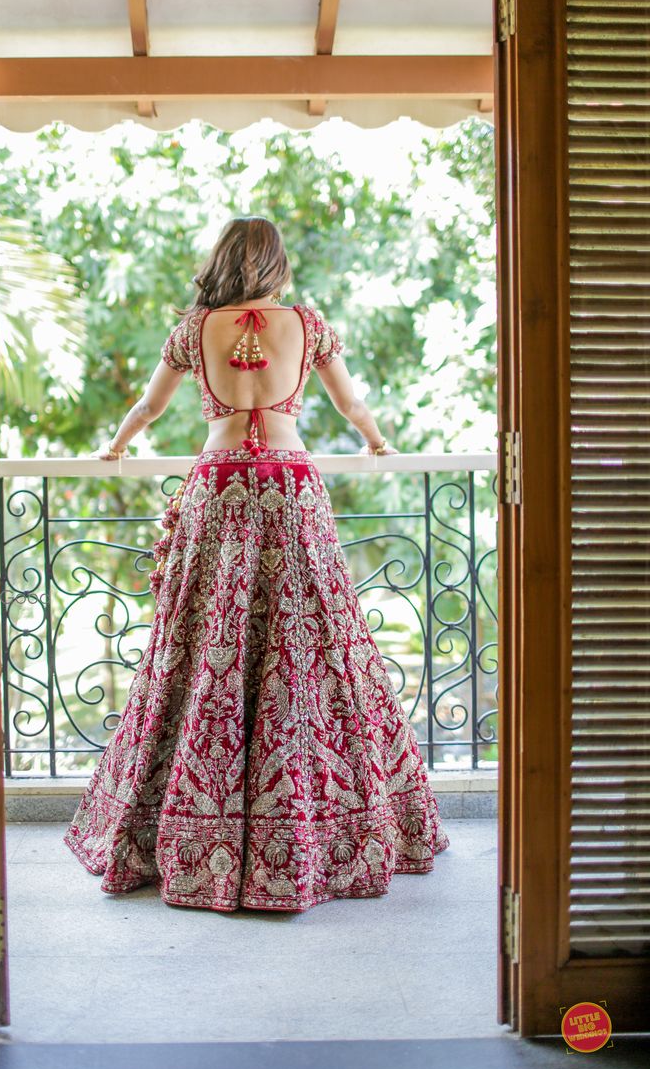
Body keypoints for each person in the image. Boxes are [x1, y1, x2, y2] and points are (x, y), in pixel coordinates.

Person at [63, 215, 449, 912]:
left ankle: (190, 827)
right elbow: (349, 400)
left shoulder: (196, 327)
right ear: (275, 264)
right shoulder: (307, 323)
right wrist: (377, 441)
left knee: (205, 642)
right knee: (308, 642)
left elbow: (150, 405)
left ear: (222, 262)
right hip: (291, 489)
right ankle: (315, 819)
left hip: (217, 488)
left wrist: (114, 447)